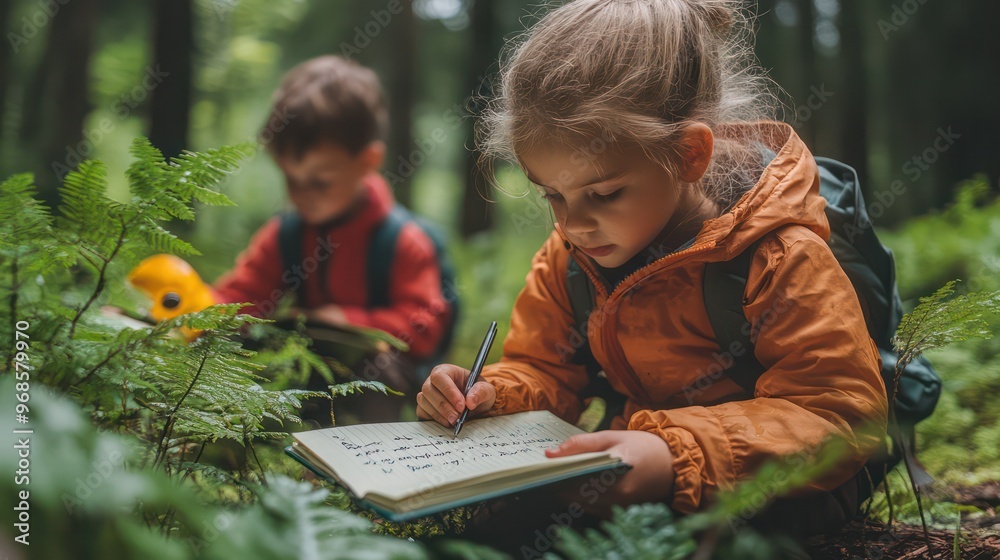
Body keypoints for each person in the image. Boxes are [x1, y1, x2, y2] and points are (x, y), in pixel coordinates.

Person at [417, 0, 887, 547]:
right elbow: (544, 368)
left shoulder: (778, 258)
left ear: (689, 154)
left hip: (768, 489)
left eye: (604, 193)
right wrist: (490, 393)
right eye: (552, 195)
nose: (574, 223)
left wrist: (674, 454)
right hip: (626, 468)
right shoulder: (570, 260)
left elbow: (836, 412)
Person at [214, 55, 452, 423]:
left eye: (320, 182)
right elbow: (238, 300)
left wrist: (346, 321)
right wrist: (182, 314)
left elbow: (424, 328)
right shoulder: (285, 235)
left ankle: (374, 455)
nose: (300, 194)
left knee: (379, 373)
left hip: (385, 383)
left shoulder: (404, 241)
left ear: (368, 161)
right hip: (311, 371)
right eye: (290, 178)